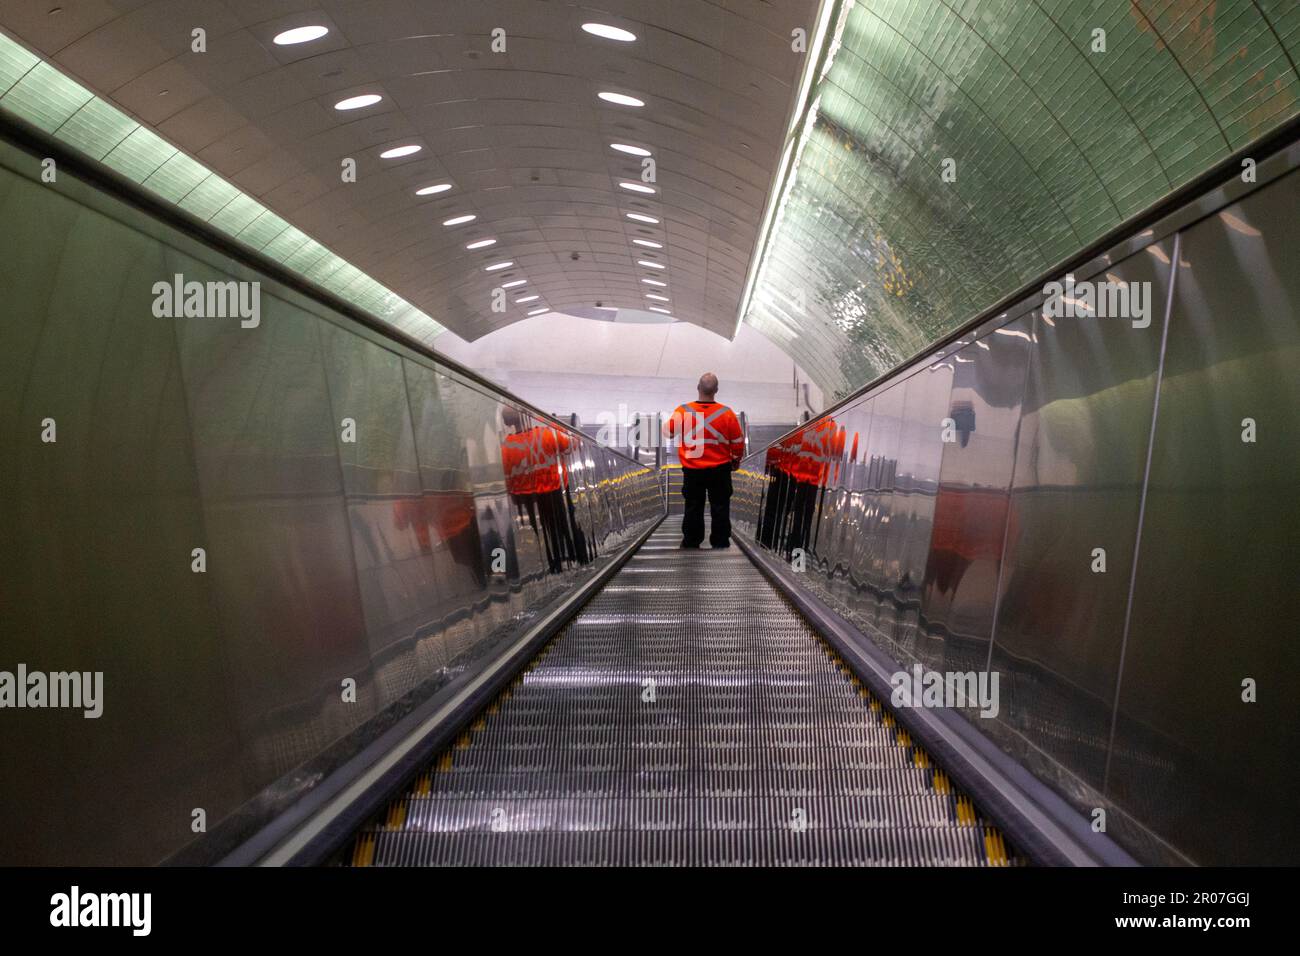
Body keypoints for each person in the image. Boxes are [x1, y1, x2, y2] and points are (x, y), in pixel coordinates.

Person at [663, 372, 746, 548]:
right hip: (720, 469)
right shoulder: (727, 413)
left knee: (693, 506)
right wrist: (735, 461)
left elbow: (668, 432)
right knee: (721, 506)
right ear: (716, 390)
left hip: (693, 470)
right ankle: (720, 542)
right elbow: (738, 442)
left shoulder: (683, 411)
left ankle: (692, 541)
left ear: (698, 388)